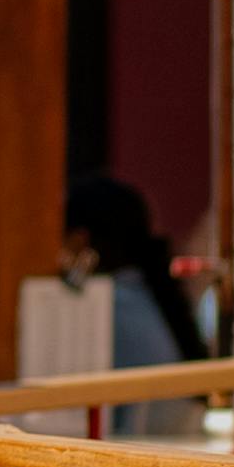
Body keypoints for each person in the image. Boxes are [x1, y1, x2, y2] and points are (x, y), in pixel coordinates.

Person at [62, 171, 209, 439]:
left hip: (138, 456)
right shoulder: (150, 294)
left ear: (81, 239)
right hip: (177, 446)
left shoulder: (108, 306)